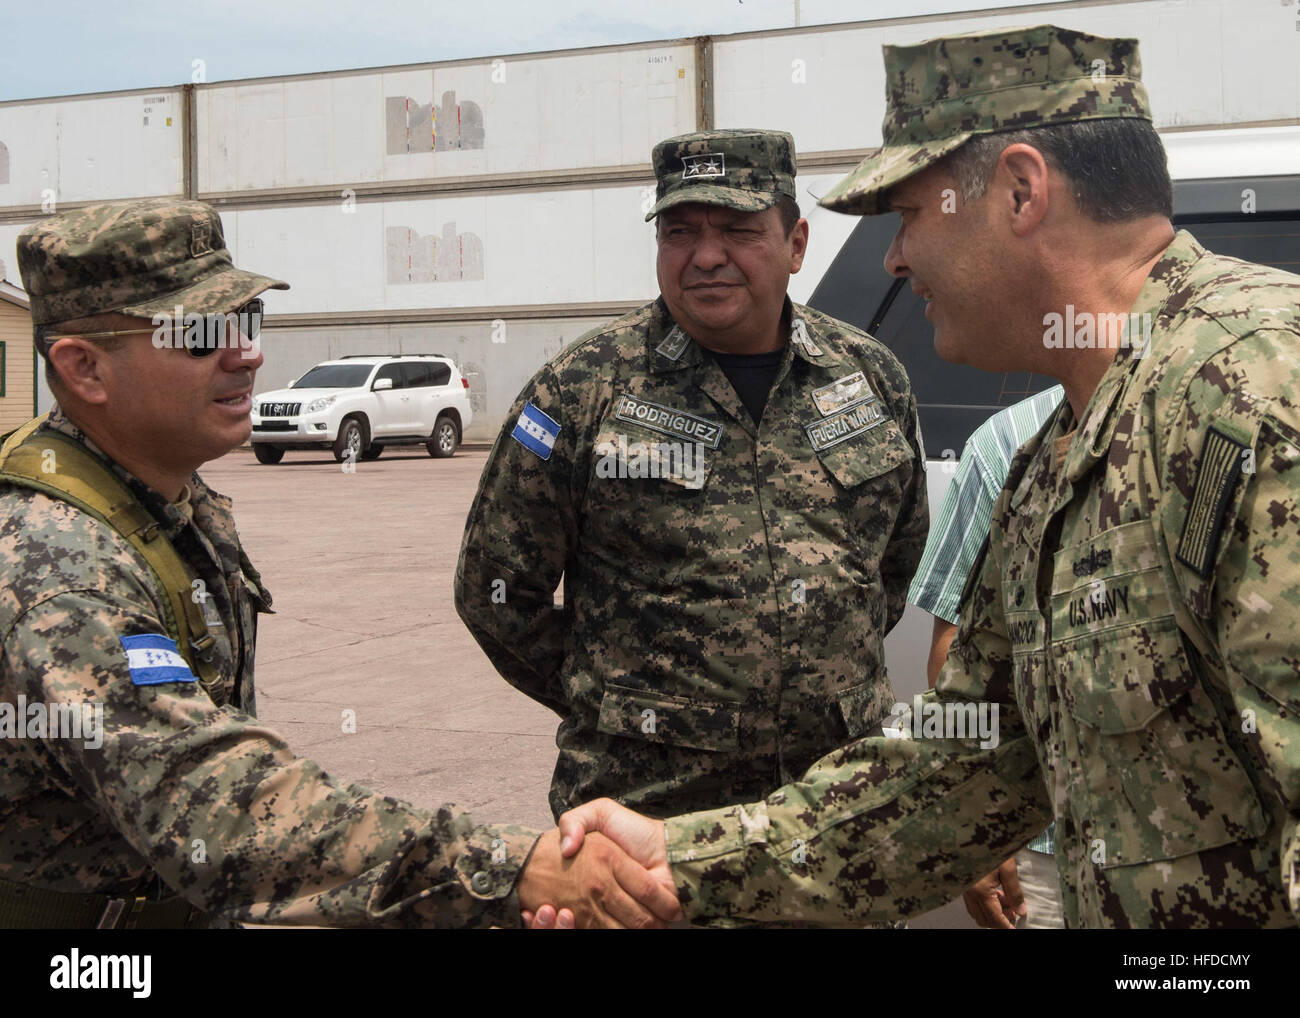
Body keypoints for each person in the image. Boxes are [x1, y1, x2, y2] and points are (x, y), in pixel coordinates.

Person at [543, 24, 1300, 929]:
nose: (895, 259)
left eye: (909, 215)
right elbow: (962, 761)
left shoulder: (1253, 394)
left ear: (1021, 192)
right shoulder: (1056, 461)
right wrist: (681, 860)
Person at [0, 198, 679, 929]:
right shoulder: (57, 566)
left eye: (247, 322)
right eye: (201, 334)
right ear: (84, 369)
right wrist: (511, 868)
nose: (247, 352)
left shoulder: (163, 499)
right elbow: (226, 811)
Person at [455, 129, 928, 833]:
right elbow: (496, 592)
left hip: (835, 816)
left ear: (796, 244)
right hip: (650, 824)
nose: (707, 256)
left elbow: (895, 560)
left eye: (738, 229)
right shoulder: (581, 389)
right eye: (680, 231)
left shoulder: (869, 377)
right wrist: (618, 707)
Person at [908, 386, 1066, 929]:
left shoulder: (1236, 407)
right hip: (1043, 849)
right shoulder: (1006, 442)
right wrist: (976, 822)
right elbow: (956, 648)